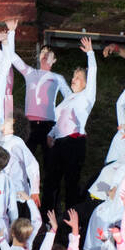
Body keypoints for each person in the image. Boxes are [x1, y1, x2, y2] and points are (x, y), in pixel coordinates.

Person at [43, 36, 97, 213]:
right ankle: (47, 216)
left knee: (71, 182)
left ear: (86, 83)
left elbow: (93, 72)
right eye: (73, 76)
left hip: (74, 142)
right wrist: (51, 134)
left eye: (78, 78)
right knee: (51, 181)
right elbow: (58, 121)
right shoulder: (67, 100)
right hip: (59, 143)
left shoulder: (87, 97)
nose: (74, 79)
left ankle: (72, 220)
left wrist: (90, 53)